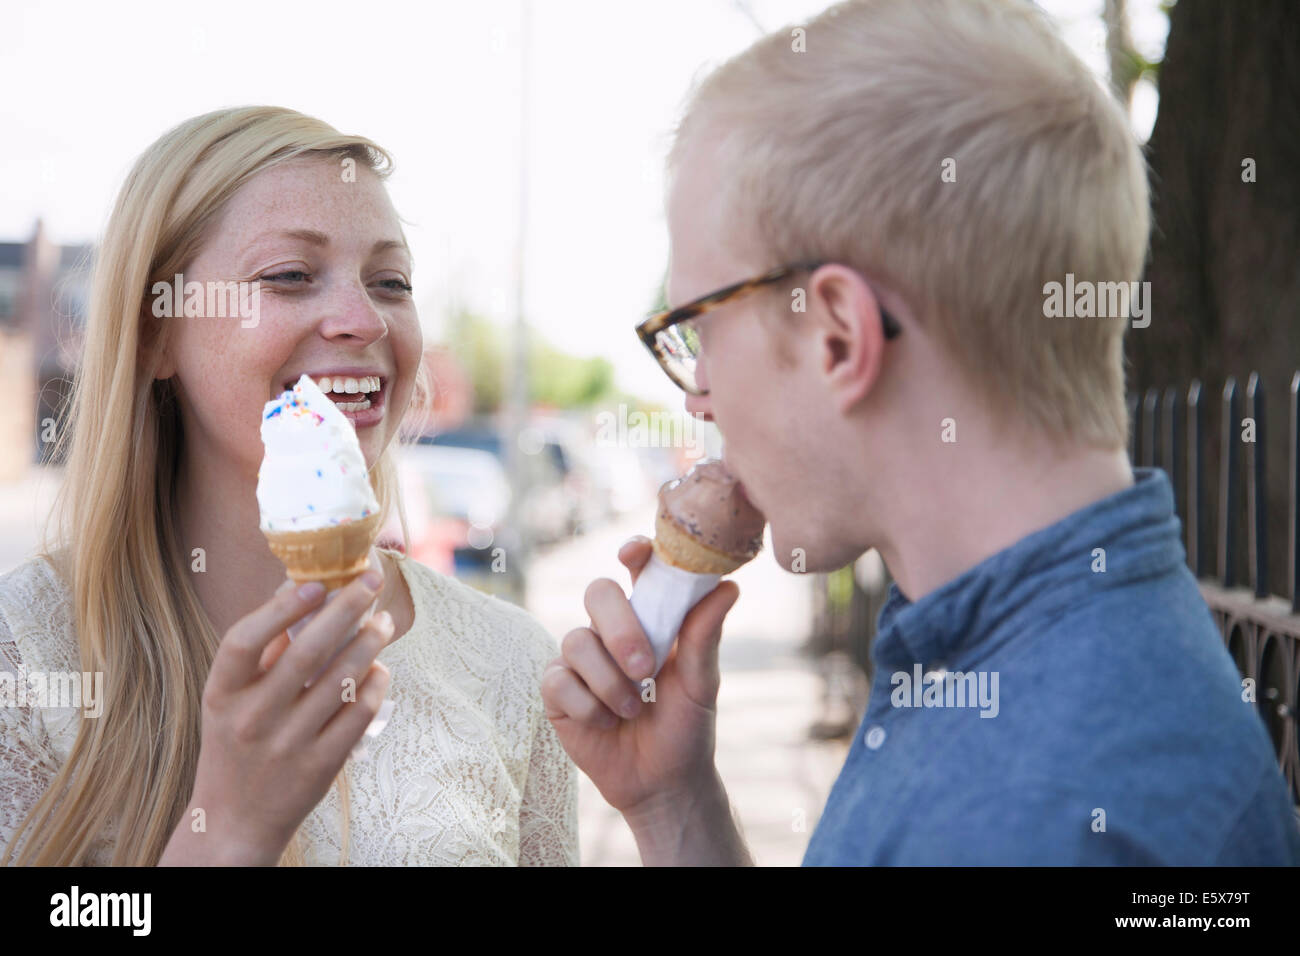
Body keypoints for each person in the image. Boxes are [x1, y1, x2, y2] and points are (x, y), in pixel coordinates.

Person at [541, 0, 1300, 864]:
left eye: (698, 328)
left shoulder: (1039, 815)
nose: (697, 396)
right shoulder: (999, 648)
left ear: (838, 335)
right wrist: (675, 806)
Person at [0, 106, 577, 866]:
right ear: (154, 332)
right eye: (290, 276)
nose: (362, 319)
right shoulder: (26, 655)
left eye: (391, 281)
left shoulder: (512, 662)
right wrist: (229, 829)